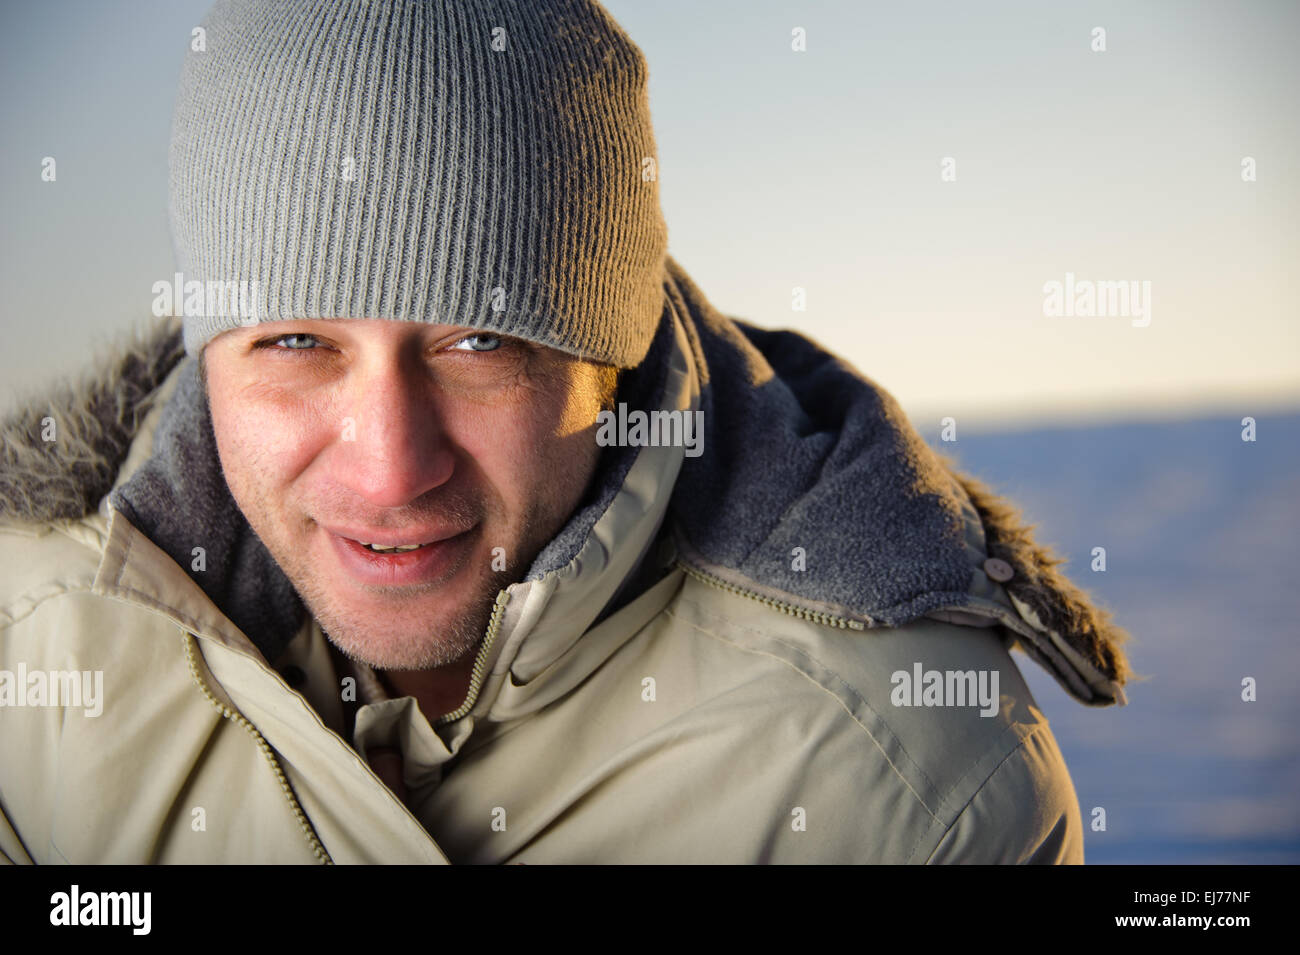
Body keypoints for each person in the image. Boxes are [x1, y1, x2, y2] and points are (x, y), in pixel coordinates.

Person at [0, 0, 1130, 864]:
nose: (390, 467)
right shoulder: (32, 654)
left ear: (612, 350)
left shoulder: (905, 784)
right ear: (210, 350)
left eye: (482, 344)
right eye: (298, 344)